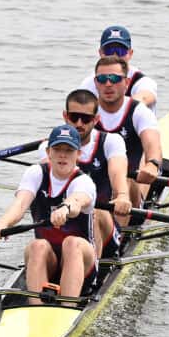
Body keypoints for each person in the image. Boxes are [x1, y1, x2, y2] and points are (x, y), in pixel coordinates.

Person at [0, 125, 97, 305]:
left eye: (69, 150)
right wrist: (2, 225)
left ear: (78, 154)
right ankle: (36, 308)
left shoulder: (84, 181)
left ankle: (67, 306)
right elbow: (21, 204)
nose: (63, 155)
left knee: (72, 242)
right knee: (37, 246)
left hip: (82, 263)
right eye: (57, 149)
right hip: (49, 261)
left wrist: (65, 209)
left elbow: (77, 201)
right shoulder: (36, 173)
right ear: (48, 152)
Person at [40, 89, 132, 258]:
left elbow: (118, 173)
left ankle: (94, 269)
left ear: (96, 119)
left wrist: (122, 195)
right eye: (74, 117)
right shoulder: (47, 147)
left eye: (87, 118)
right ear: (65, 116)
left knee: (93, 213)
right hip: (66, 220)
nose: (79, 123)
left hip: (102, 221)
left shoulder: (111, 141)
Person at [93, 55, 163, 209]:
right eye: (102, 79)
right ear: (96, 83)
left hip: (129, 189)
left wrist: (152, 164)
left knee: (124, 179)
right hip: (93, 188)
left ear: (126, 83)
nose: (108, 84)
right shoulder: (84, 114)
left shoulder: (139, 112)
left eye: (115, 79)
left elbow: (153, 144)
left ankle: (119, 231)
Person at [78, 25, 158, 112]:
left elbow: (145, 97)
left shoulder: (142, 81)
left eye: (120, 51)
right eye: (109, 51)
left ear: (130, 53)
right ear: (101, 53)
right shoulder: (89, 83)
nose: (115, 56)